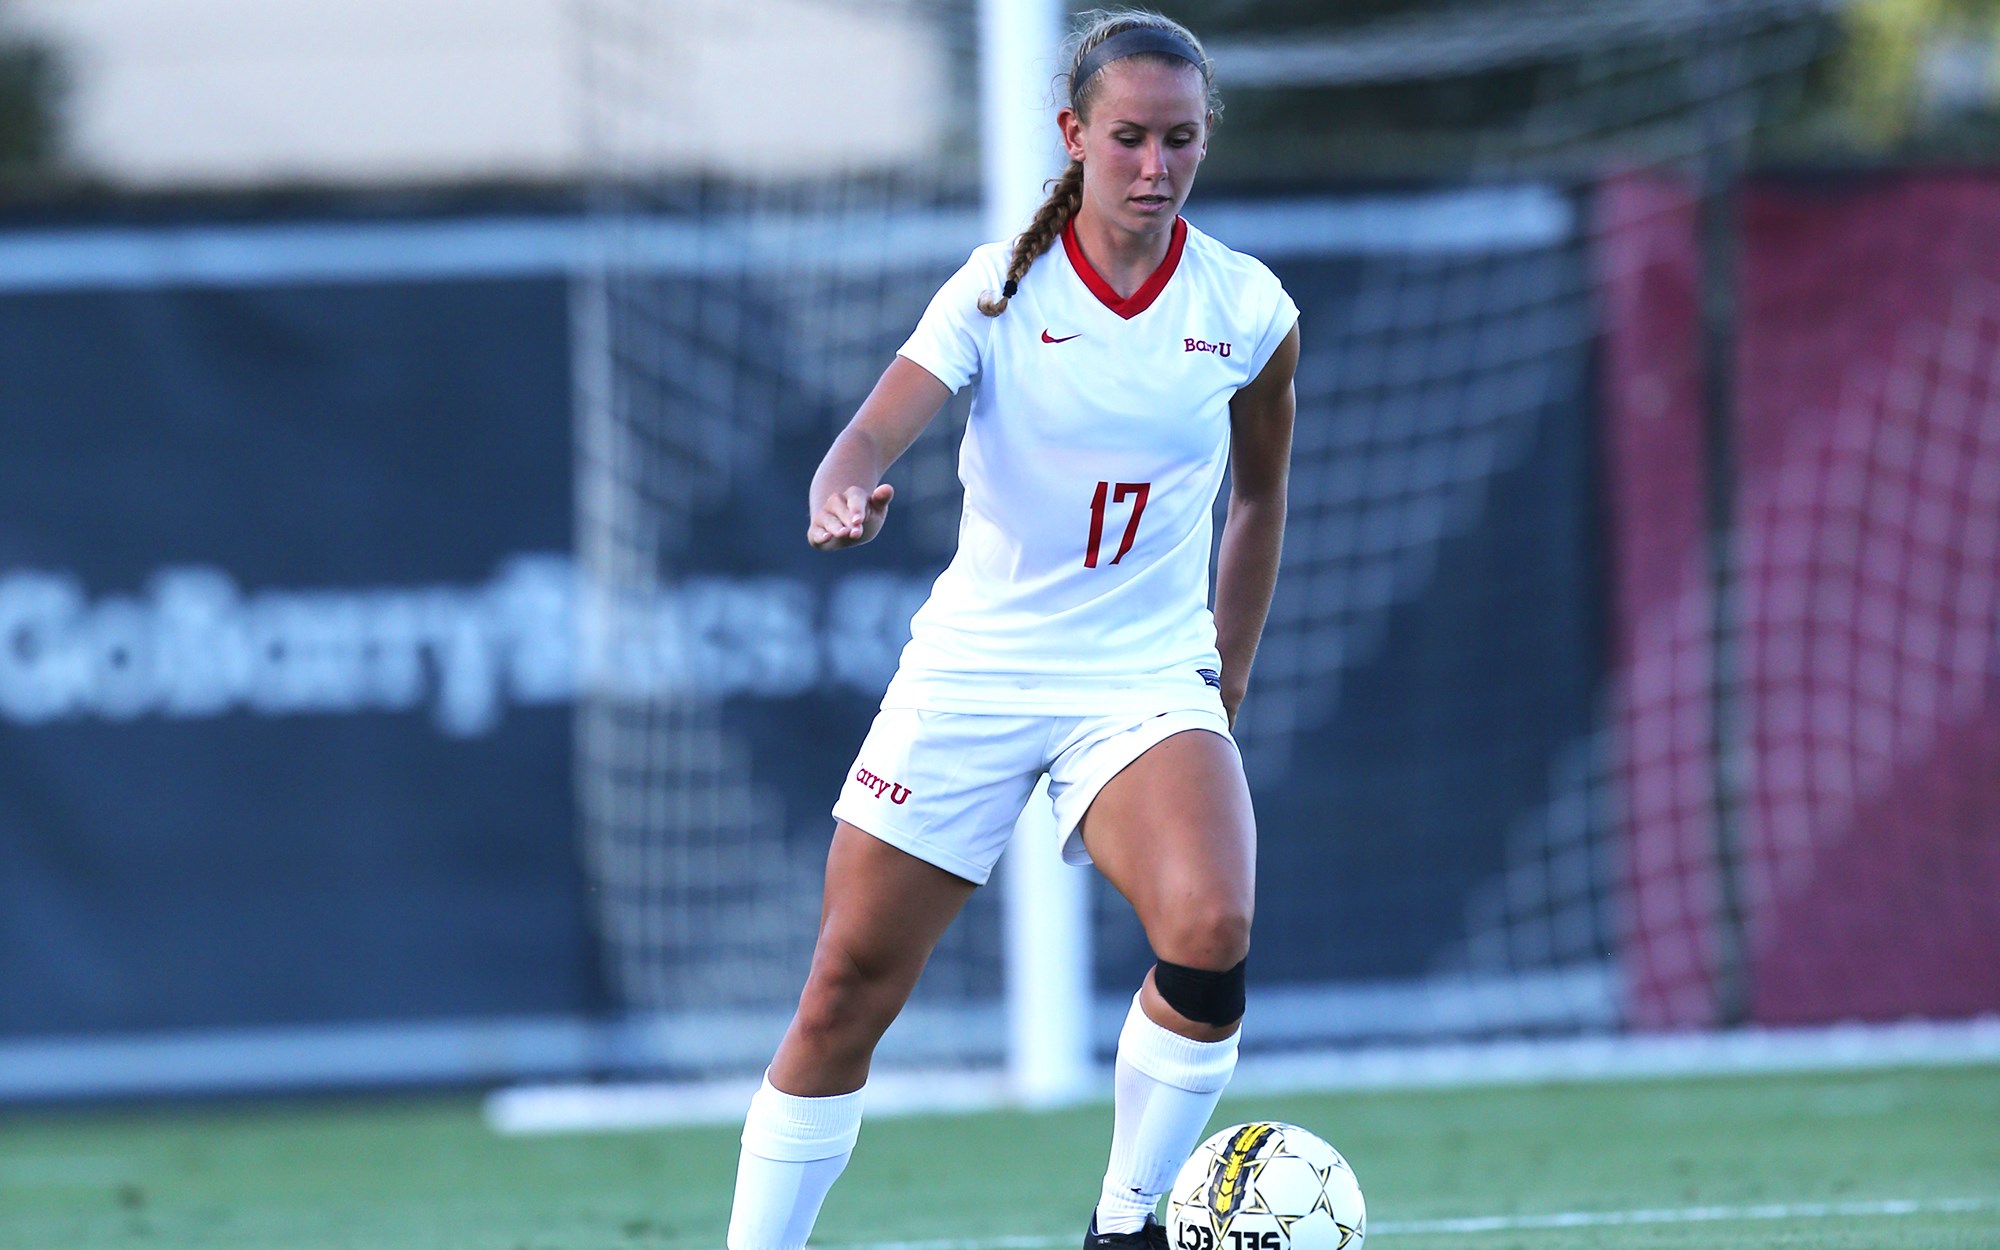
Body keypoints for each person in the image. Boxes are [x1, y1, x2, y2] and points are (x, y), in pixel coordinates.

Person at [726, 9, 1298, 1250]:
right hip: (975, 671)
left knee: (1210, 930)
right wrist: (840, 487)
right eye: (1130, 138)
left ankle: (1126, 1220)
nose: (1154, 167)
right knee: (843, 990)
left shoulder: (1247, 307)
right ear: (1073, 136)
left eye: (1180, 141)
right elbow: (869, 430)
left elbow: (1258, 493)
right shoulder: (997, 286)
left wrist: (1224, 670)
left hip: (1143, 677)